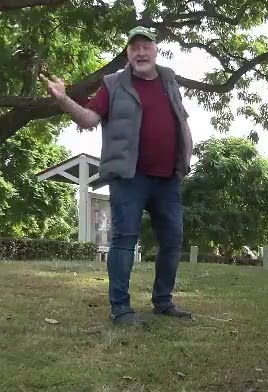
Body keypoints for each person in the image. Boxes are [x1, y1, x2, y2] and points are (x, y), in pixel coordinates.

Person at [43, 26, 195, 326]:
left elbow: (182, 121)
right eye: (134, 47)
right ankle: (121, 308)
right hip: (129, 177)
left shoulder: (169, 81)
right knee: (125, 239)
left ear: (155, 51)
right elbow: (88, 119)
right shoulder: (113, 84)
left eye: (146, 46)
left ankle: (163, 301)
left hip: (168, 177)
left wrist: (186, 160)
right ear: (128, 53)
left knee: (173, 239)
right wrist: (62, 98)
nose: (141, 52)